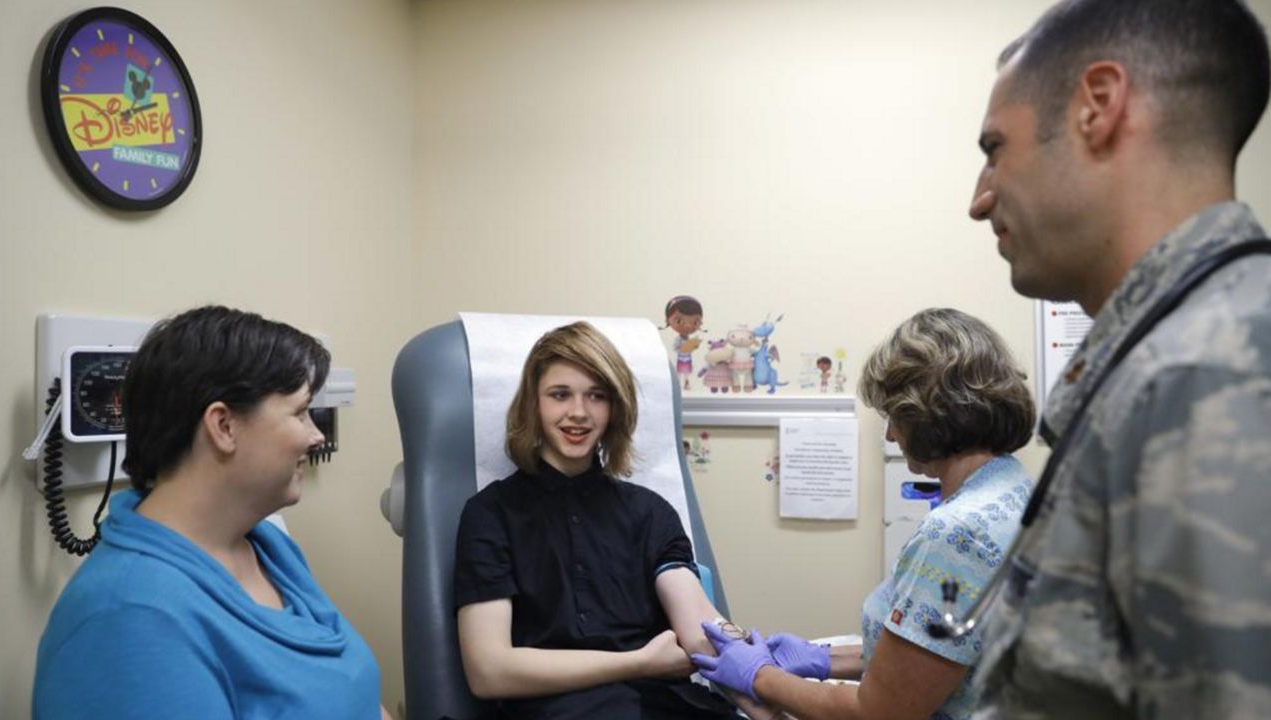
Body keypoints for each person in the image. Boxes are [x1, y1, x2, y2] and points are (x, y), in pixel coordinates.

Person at [965, 0, 1271, 716]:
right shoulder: (1161, 358)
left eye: (994, 149)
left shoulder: (1204, 377)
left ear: (1097, 107)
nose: (979, 201)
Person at [33, 306, 388, 720]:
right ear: (223, 427)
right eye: (299, 412)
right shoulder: (127, 618)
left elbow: (353, 693)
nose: (316, 435)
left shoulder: (268, 548)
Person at [693, 309, 1036, 720]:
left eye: (894, 417)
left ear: (925, 414)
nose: (890, 434)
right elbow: (939, 655)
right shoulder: (1014, 489)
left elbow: (877, 713)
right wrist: (826, 659)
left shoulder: (956, 534)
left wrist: (760, 677)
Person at [454, 321, 766, 720]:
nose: (579, 413)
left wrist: (769, 690)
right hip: (556, 710)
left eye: (596, 396)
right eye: (560, 395)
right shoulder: (490, 515)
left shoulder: (650, 513)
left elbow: (699, 625)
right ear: (533, 405)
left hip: (664, 706)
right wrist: (638, 662)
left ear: (615, 407)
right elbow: (489, 671)